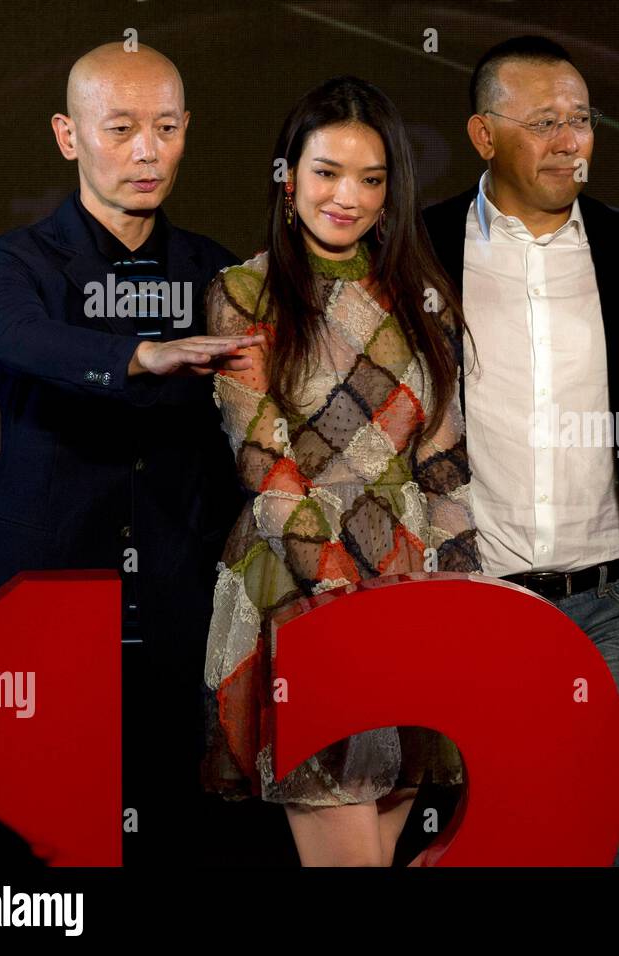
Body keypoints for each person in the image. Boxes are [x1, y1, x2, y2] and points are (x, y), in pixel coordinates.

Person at [0, 42, 259, 866]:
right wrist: (139, 355)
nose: (146, 150)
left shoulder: (219, 272)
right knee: (32, 843)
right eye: (121, 127)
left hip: (184, 604)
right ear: (68, 135)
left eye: (165, 127)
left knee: (181, 827)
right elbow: (25, 340)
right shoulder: (8, 263)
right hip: (45, 596)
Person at [200, 76, 480, 867]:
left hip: (409, 583)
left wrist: (460, 593)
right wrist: (334, 592)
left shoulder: (423, 296)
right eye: (326, 172)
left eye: (371, 177)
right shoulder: (242, 292)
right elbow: (265, 465)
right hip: (299, 592)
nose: (347, 197)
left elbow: (443, 463)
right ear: (287, 180)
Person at [421, 36, 619, 866]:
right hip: (479, 600)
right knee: (497, 828)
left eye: (581, 120)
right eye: (545, 122)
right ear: (484, 135)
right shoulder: (418, 247)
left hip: (612, 597)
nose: (571, 140)